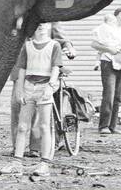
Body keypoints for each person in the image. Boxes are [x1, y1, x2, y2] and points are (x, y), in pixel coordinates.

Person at [10, 26, 75, 154]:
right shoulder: (17, 12)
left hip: (44, 70)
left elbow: (60, 36)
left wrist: (70, 47)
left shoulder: (46, 15)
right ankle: (18, 148)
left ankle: (36, 148)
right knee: (18, 107)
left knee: (40, 116)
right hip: (21, 68)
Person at [11, 22, 64, 177]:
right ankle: (16, 162)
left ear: (49, 26)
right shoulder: (27, 46)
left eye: (44, 23)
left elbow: (56, 67)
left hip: (44, 87)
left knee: (44, 126)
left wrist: (50, 86)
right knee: (22, 126)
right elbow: (22, 69)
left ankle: (44, 163)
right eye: (37, 23)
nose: (40, 26)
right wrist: (19, 89)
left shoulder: (54, 45)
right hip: (28, 87)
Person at [91, 8, 121, 136]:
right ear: (119, 15)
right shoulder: (105, 28)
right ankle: (103, 126)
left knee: (118, 96)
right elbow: (94, 44)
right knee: (109, 94)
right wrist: (109, 49)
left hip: (120, 63)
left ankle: (113, 126)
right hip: (107, 62)